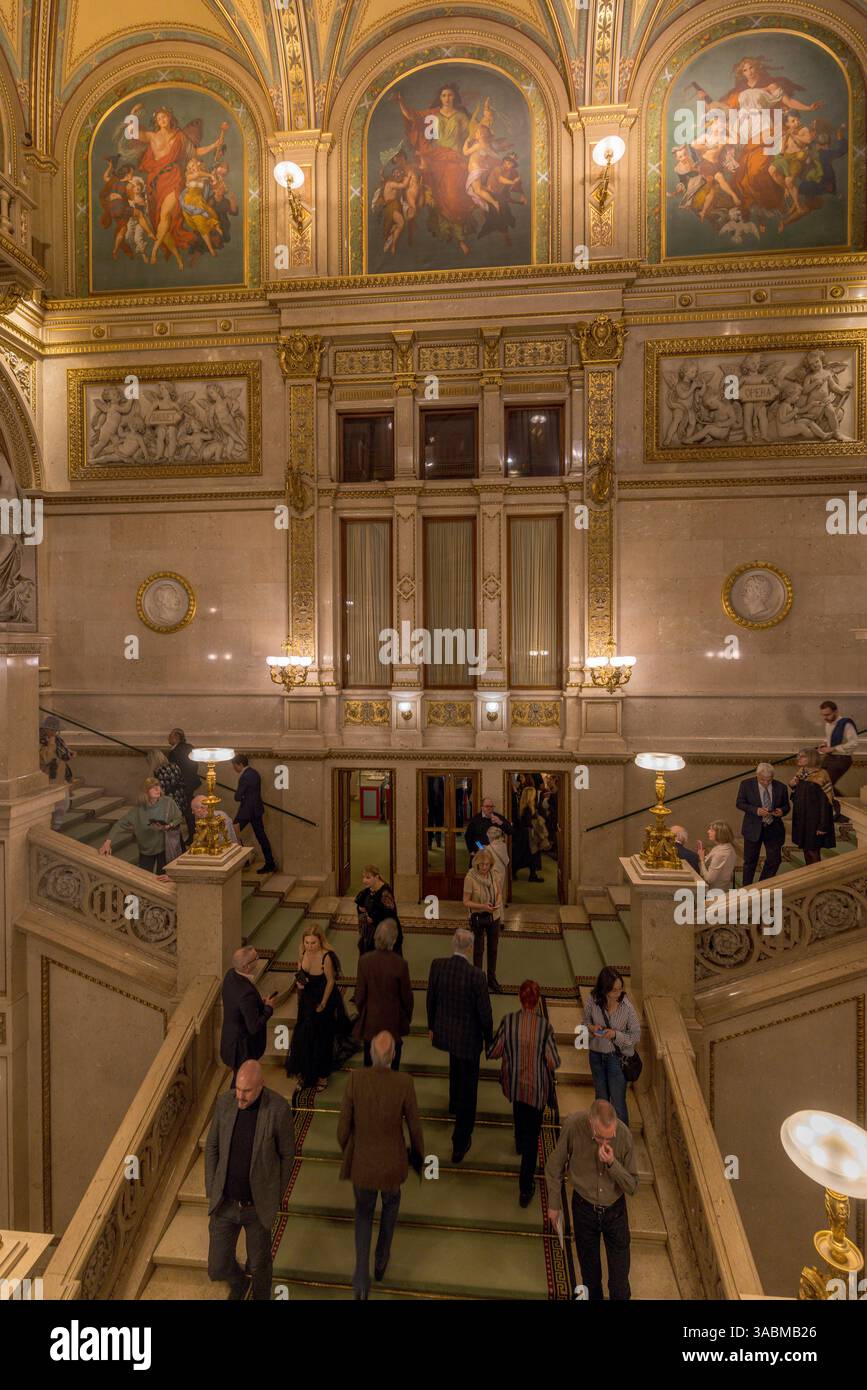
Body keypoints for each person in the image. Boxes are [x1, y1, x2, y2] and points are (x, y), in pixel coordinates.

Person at [337, 1031, 425, 1300]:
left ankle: (361, 1278)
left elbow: (342, 1129)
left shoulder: (355, 1079)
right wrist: (418, 1157)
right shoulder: (404, 1083)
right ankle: (381, 1259)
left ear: (371, 1055)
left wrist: (351, 1150)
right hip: (392, 1165)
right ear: (393, 1056)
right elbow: (415, 1127)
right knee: (390, 1207)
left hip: (362, 1164)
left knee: (363, 1215)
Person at [205, 1059, 294, 1301]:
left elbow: (288, 1156)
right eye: (238, 1089)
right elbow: (212, 1146)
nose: (240, 1097)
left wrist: (276, 1195)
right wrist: (211, 1188)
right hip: (225, 1203)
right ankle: (238, 1282)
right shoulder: (224, 1102)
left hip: (257, 1207)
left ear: (261, 1085)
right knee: (217, 1267)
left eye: (247, 1091)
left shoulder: (278, 1110)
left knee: (260, 1265)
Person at [544, 1098, 639, 1303]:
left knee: (619, 1283)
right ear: (590, 1123)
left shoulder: (623, 1135)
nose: (605, 1143)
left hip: (615, 1212)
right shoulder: (573, 1126)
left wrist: (612, 1163)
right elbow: (554, 1167)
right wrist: (553, 1204)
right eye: (599, 1137)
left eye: (609, 1137)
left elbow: (632, 1186)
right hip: (583, 1208)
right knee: (590, 1277)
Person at [488, 980, 560, 1207]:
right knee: (533, 1141)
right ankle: (525, 1188)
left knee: (519, 1114)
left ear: (519, 998)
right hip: (536, 1090)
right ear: (537, 1002)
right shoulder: (544, 1027)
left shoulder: (509, 1021)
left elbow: (493, 1051)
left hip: (516, 1085)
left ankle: (518, 1142)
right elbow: (554, 1061)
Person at [427, 927, 493, 1163]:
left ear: (453, 945)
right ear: (471, 948)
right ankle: (460, 1140)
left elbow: (431, 998)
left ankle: (453, 1103)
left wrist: (431, 1027)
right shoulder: (476, 976)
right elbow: (485, 1013)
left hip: (446, 1032)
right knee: (469, 1088)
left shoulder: (438, 965)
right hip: (468, 1038)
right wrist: (489, 1038)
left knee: (455, 1067)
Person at [285, 924, 352, 1092]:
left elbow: (330, 982)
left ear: (320, 941)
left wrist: (323, 1003)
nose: (309, 946)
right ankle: (305, 1073)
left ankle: (322, 1076)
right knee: (304, 1036)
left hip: (325, 999)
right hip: (307, 1000)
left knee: (323, 1038)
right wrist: (300, 985)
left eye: (313, 943)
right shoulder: (302, 954)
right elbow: (300, 979)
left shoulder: (326, 957)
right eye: (307, 942)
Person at [583, 968, 640, 1127]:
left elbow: (636, 1036)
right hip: (596, 1055)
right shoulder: (592, 1000)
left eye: (620, 988)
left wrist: (615, 1035)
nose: (618, 993)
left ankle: (622, 1142)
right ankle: (600, 1135)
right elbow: (585, 1022)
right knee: (601, 1099)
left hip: (616, 1059)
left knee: (618, 1102)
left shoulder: (626, 1007)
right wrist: (591, 1028)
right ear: (604, 989)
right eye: (614, 990)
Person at [355, 919, 413, 1070]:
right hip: (393, 1020)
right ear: (393, 940)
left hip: (371, 1021)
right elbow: (407, 998)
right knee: (393, 1068)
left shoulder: (364, 961)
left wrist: (365, 1013)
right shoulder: (400, 964)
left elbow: (359, 995)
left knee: (369, 1066)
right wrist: (405, 1018)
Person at [98, 777, 183, 876]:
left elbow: (178, 817)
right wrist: (107, 842)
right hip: (146, 849)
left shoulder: (168, 802)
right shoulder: (138, 811)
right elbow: (119, 824)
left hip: (165, 847)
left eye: (158, 786)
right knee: (144, 877)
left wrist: (168, 826)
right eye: (153, 787)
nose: (157, 789)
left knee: (163, 879)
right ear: (145, 792)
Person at [220, 945, 278, 1080]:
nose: (258, 960)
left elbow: (237, 1005)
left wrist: (257, 1004)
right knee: (242, 1081)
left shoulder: (230, 974)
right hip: (242, 1048)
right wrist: (269, 1008)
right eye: (256, 958)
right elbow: (254, 1027)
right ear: (246, 967)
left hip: (230, 1039)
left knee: (238, 1079)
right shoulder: (246, 995)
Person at [736, 762, 790, 884]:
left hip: (774, 828)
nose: (766, 783)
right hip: (753, 828)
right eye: (762, 780)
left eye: (769, 780)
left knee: (774, 860)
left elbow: (786, 806)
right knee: (750, 861)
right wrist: (756, 810)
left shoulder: (781, 787)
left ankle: (763, 884)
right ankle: (747, 888)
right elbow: (740, 803)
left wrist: (781, 811)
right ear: (757, 775)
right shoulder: (746, 785)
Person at [463, 847, 503, 993]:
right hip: (478, 918)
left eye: (487, 864)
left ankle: (491, 979)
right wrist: (482, 907)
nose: (484, 868)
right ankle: (478, 981)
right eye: (482, 865)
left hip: (494, 916)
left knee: (493, 949)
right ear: (477, 864)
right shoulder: (470, 878)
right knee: (478, 950)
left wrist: (497, 902)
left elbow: (499, 892)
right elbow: (466, 902)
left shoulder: (494, 875)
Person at [231, 755, 277, 874]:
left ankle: (244, 861)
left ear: (240, 764)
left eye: (234, 765)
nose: (234, 768)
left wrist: (240, 795)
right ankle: (270, 862)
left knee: (232, 831)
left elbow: (237, 797)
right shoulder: (254, 773)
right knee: (261, 837)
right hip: (256, 809)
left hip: (247, 811)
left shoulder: (245, 777)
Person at [790, 748, 836, 865]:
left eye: (802, 756)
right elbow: (797, 798)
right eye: (798, 756)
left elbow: (826, 803)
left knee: (813, 850)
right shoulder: (801, 773)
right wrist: (793, 786)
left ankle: (818, 877)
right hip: (802, 819)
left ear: (811, 758)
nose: (798, 759)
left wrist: (822, 825)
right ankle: (809, 874)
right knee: (806, 849)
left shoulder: (821, 775)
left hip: (815, 821)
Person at [818, 700, 858, 822]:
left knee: (825, 783)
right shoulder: (828, 724)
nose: (825, 717)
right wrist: (825, 743)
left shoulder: (846, 724)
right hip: (830, 757)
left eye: (828, 714)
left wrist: (833, 748)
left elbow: (854, 743)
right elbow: (830, 738)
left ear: (836, 711)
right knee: (818, 782)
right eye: (823, 715)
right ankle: (841, 810)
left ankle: (844, 812)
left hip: (842, 759)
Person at [354, 865, 403, 958]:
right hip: (370, 934)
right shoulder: (370, 889)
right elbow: (361, 903)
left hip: (383, 933)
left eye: (368, 877)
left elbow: (390, 915)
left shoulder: (385, 893)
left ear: (376, 877)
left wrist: (373, 919)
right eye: (363, 877)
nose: (364, 880)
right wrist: (360, 909)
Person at [40, 715, 74, 830]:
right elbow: (46, 758)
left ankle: (57, 827)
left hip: (60, 777)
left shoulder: (59, 740)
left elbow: (65, 754)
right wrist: (51, 743)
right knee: (51, 805)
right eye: (52, 730)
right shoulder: (42, 741)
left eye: (56, 730)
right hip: (48, 777)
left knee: (63, 804)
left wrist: (70, 754)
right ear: (45, 729)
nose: (54, 732)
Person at [147, 749, 190, 838]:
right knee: (176, 823)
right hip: (181, 798)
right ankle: (180, 846)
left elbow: (161, 790)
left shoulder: (158, 771)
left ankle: (176, 847)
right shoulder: (174, 765)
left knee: (171, 827)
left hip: (169, 801)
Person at [167, 728, 201, 837]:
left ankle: (191, 836)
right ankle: (193, 834)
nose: (168, 738)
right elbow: (195, 764)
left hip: (181, 786)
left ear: (176, 738)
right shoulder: (190, 748)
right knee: (189, 810)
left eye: (170, 736)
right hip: (191, 783)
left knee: (184, 811)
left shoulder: (174, 752)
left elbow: (173, 770)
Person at [696, 821, 737, 890]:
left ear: (720, 834)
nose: (708, 831)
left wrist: (702, 860)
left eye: (711, 830)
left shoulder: (721, 853)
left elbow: (709, 879)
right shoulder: (723, 846)